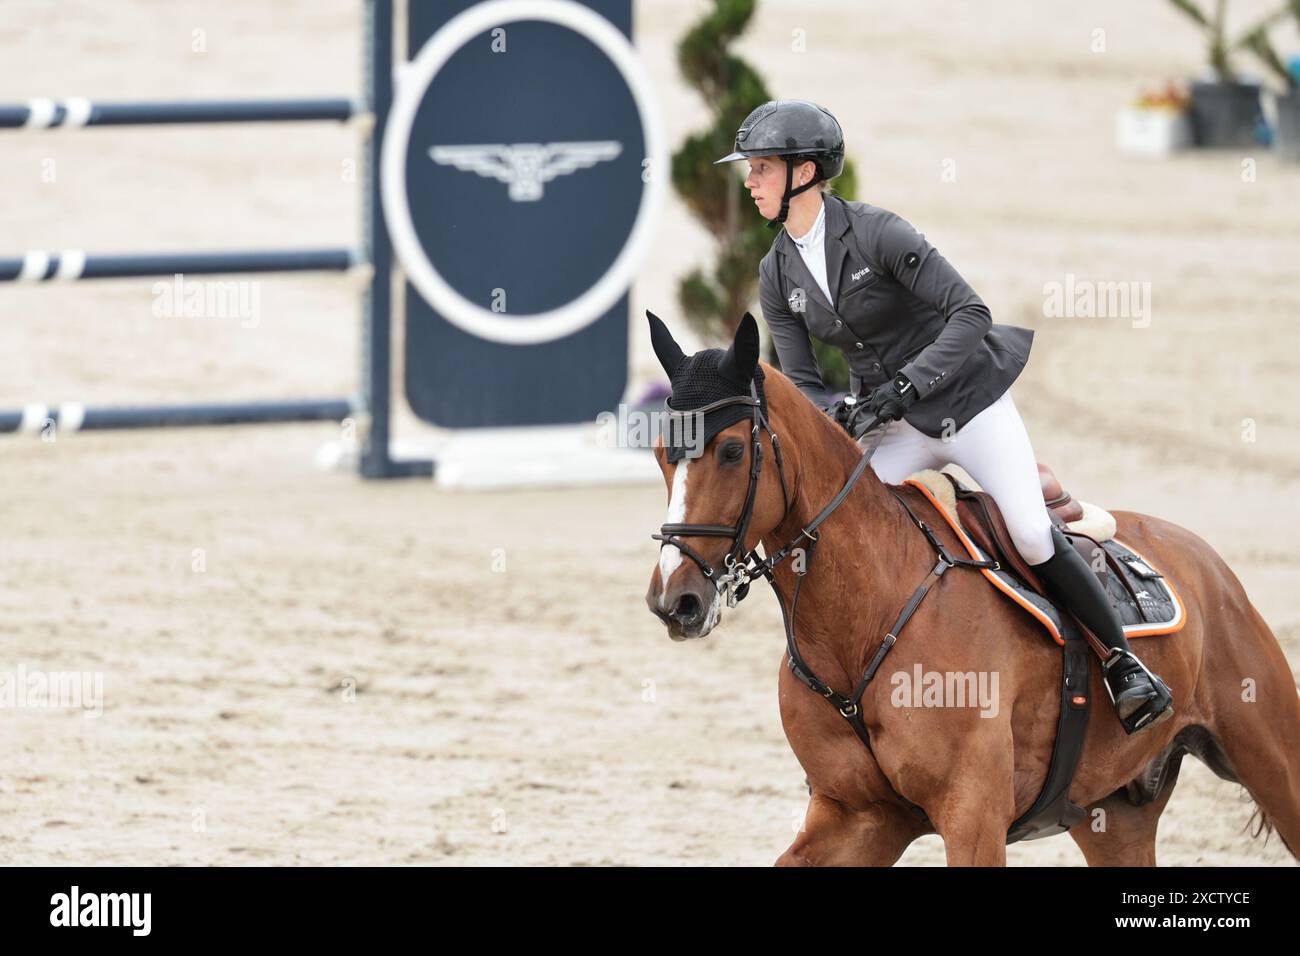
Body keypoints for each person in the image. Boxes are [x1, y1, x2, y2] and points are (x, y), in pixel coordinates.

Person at [714, 99, 1173, 735]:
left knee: (1033, 536)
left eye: (760, 168)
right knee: (843, 524)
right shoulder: (776, 273)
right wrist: (841, 413)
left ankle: (1124, 665)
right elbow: (803, 385)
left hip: (966, 402)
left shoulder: (879, 232)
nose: (749, 181)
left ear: (805, 171)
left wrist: (909, 383)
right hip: (891, 423)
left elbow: (970, 313)